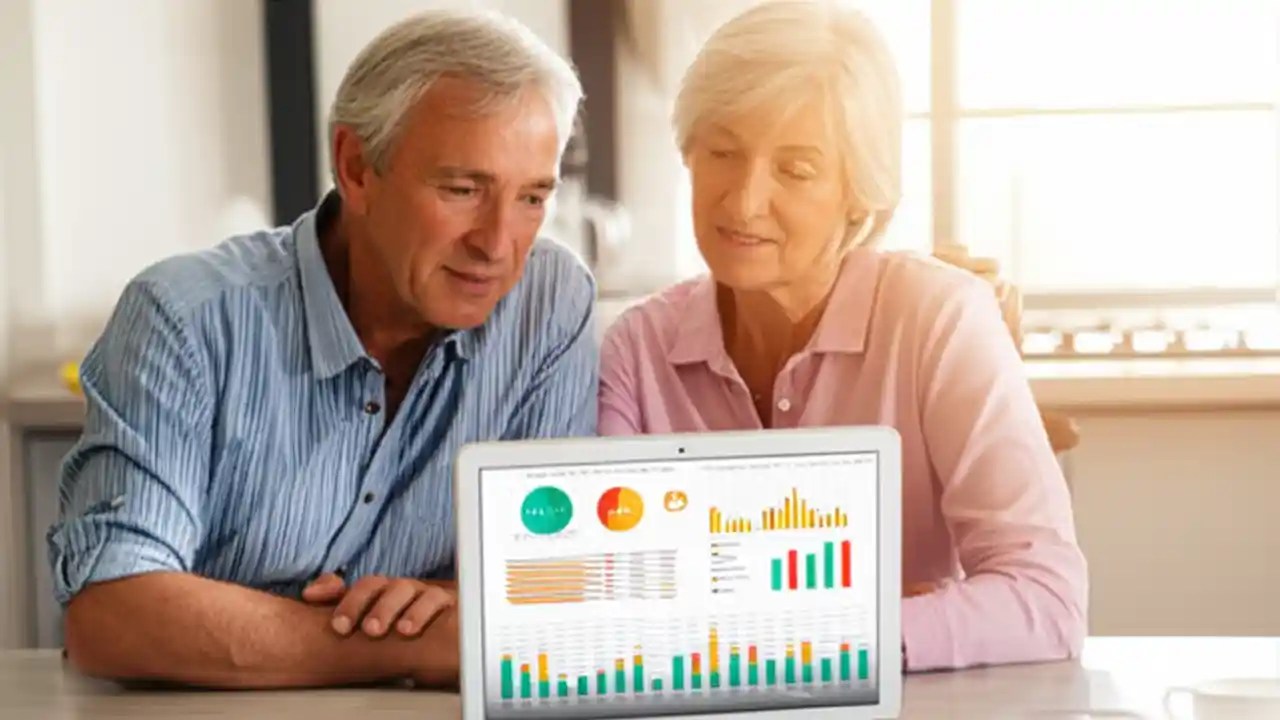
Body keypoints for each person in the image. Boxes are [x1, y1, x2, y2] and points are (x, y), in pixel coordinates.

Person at [49, 9, 595, 689]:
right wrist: (412, 645)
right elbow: (114, 613)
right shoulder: (185, 318)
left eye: (532, 198)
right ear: (356, 168)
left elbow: (549, 589)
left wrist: (465, 616)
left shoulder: (550, 304)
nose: (497, 244)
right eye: (462, 190)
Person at [598, 0, 1086, 672]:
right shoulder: (636, 349)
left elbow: (1047, 600)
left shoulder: (940, 319)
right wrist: (862, 613)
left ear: (860, 193)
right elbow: (611, 601)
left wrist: (831, 630)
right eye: (723, 152)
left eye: (795, 170)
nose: (744, 201)